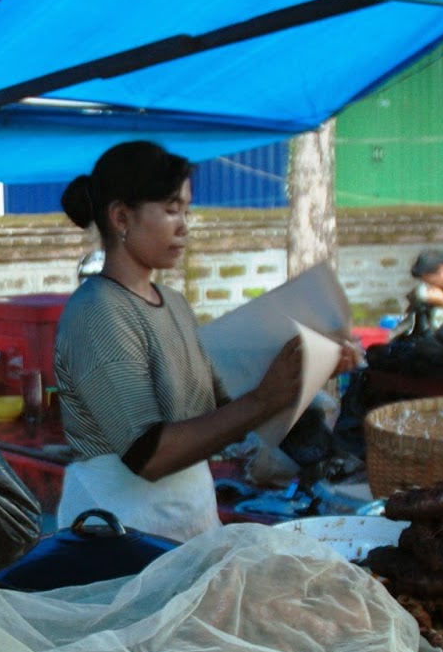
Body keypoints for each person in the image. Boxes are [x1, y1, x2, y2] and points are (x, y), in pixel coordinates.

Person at [53, 140, 358, 542]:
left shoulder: (174, 304)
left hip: (184, 518)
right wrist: (266, 397)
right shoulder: (98, 311)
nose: (184, 225)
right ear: (121, 217)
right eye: (171, 210)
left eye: (187, 211)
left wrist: (306, 368)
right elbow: (147, 455)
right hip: (120, 533)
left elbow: (218, 408)